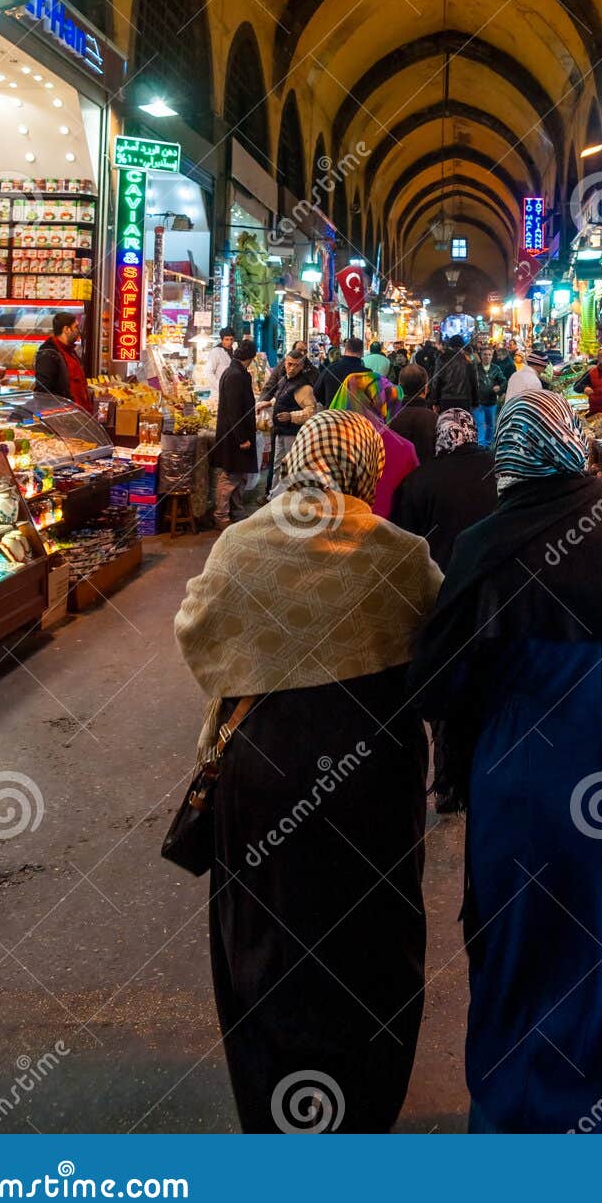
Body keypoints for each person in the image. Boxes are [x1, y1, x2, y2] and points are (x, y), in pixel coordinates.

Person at [408, 391, 602, 1134]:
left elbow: (437, 685)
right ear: (574, 445)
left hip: (524, 799)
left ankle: (518, 1128)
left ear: (510, 461)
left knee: (525, 958)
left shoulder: (487, 544)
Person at [175, 411, 442, 1133]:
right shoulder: (399, 553)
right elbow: (440, 649)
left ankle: (277, 1122)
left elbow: (197, 632)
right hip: (373, 775)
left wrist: (267, 658)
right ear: (365, 468)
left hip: (263, 773)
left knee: (265, 942)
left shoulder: (242, 543)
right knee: (373, 943)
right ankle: (363, 1113)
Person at [391, 408, 497, 572]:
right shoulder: (498, 468)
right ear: (473, 430)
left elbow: (404, 537)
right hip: (489, 572)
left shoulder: (419, 479)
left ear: (439, 434)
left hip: (440, 577)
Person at [330, 369, 419, 519]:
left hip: (333, 532)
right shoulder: (403, 448)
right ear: (383, 403)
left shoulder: (326, 440)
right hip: (384, 531)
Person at [211, 337, 257, 529]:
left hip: (237, 433)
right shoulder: (235, 375)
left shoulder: (234, 372)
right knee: (230, 477)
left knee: (240, 475)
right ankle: (221, 516)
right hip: (234, 436)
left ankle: (237, 512)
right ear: (251, 357)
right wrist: (242, 438)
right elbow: (234, 411)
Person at [263, 348, 317, 495]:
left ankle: (289, 500)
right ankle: (273, 497)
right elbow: (282, 398)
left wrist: (291, 416)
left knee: (292, 468)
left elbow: (311, 411)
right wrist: (269, 403)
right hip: (280, 431)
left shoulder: (304, 387)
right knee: (277, 466)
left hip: (293, 433)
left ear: (301, 366)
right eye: (288, 364)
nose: (291, 368)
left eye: (295, 365)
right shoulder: (284, 380)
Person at [33, 311, 92, 411]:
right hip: (66, 417)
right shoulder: (48, 355)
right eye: (76, 327)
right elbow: (43, 393)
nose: (78, 331)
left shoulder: (71, 352)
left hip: (79, 415)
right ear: (66, 329)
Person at [389, 363, 438, 463]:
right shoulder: (434, 419)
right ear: (426, 388)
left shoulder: (389, 417)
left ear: (399, 386)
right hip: (425, 474)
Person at [314, 335, 369, 408]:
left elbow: (316, 391)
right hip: (357, 417)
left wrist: (330, 403)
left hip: (333, 415)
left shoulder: (330, 369)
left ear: (345, 350)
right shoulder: (367, 374)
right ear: (362, 352)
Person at [431, 335, 479, 413]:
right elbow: (474, 381)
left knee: (447, 423)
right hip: (464, 399)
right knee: (462, 423)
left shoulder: (442, 358)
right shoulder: (469, 358)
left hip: (446, 399)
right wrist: (475, 401)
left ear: (450, 345)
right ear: (462, 345)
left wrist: (435, 401)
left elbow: (436, 380)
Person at [473, 346, 506, 447]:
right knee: (479, 424)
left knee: (490, 425)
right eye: (485, 354)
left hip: (491, 402)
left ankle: (487, 444)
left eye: (489, 354)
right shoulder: (475, 368)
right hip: (478, 401)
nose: (487, 356)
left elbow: (504, 380)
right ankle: (481, 444)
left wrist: (499, 387)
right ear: (481, 356)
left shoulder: (496, 368)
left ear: (492, 356)